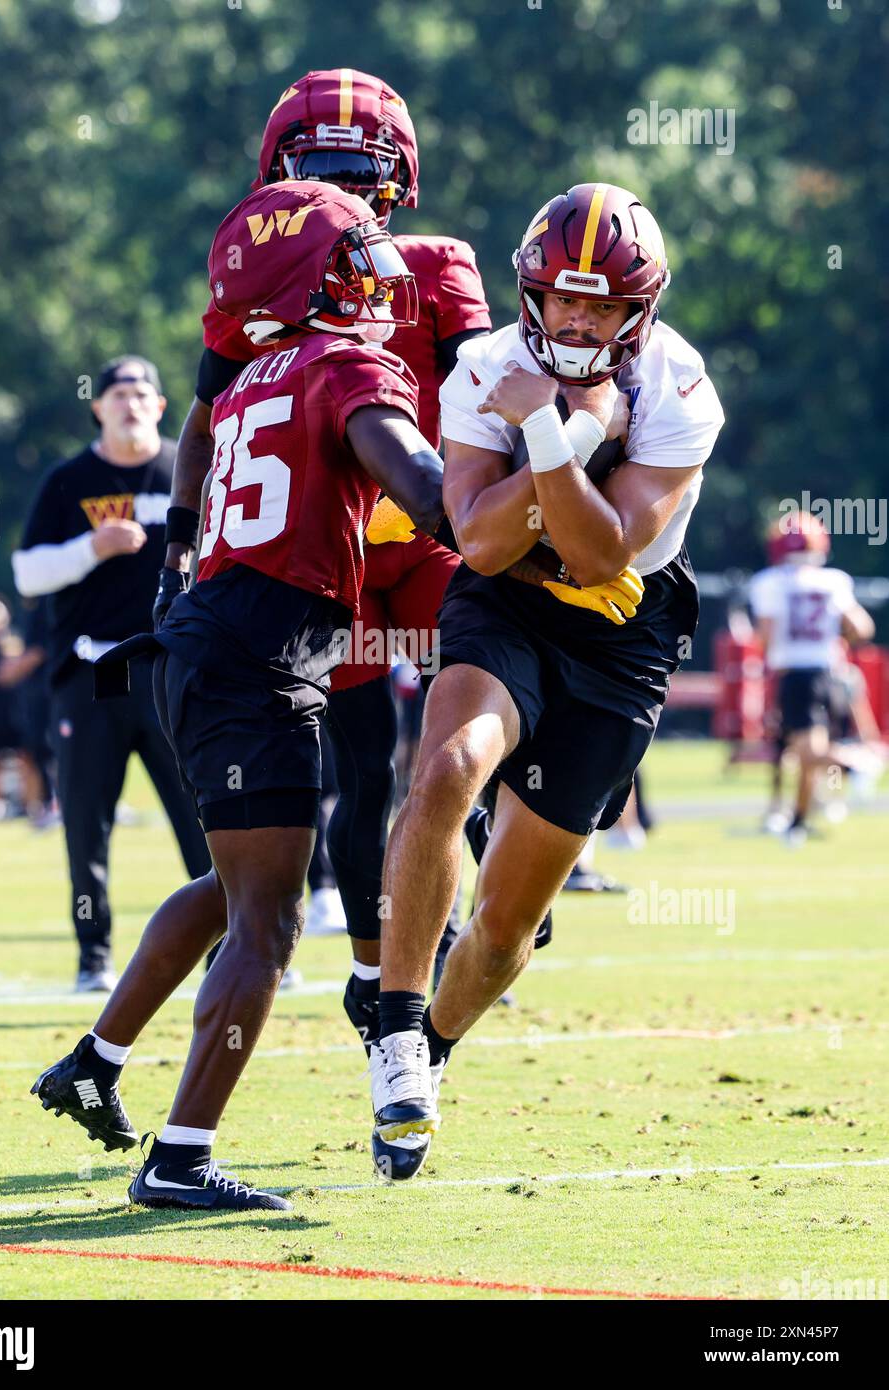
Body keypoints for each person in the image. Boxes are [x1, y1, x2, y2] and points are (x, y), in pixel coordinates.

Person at [32, 182, 465, 1212]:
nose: (375, 276)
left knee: (239, 890)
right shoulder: (343, 361)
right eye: (354, 258)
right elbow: (421, 487)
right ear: (311, 280)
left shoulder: (245, 378)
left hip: (207, 645)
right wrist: (528, 511)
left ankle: (95, 1060)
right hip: (257, 659)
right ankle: (181, 1154)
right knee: (269, 920)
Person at [365, 183, 725, 1179]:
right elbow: (478, 545)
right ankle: (393, 1031)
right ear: (530, 295)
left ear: (637, 310)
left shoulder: (681, 389)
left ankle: (433, 1044)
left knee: (508, 922)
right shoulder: (487, 362)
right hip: (510, 604)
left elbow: (604, 552)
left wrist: (548, 437)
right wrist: (553, 433)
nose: (577, 320)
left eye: (602, 305)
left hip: (622, 632)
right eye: (564, 301)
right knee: (442, 771)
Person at [184, 69, 495, 1053]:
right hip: (336, 565)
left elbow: (492, 387)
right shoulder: (266, 280)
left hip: (439, 537)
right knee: (363, 765)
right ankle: (378, 974)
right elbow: (202, 426)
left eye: (361, 176)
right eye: (322, 174)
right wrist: (176, 537)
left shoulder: (439, 264)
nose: (348, 194)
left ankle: (504, 884)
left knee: (498, 712)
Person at [11, 357, 212, 991]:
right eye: (117, 393)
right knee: (85, 822)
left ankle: (227, 948)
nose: (129, 402)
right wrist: (89, 549)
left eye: (142, 392)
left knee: (201, 818)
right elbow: (26, 574)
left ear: (160, 405)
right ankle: (92, 955)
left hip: (168, 672)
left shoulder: (189, 467)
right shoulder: (70, 480)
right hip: (90, 675)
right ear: (97, 407)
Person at [748, 511, 875, 844]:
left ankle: (857, 765)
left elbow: (766, 636)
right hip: (830, 672)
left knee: (807, 752)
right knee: (808, 754)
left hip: (795, 676)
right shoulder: (834, 580)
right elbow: (862, 627)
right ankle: (798, 822)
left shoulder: (768, 583)